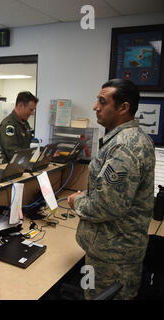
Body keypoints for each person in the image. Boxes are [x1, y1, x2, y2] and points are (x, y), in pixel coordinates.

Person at [67, 79, 155, 300]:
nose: (95, 106)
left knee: (95, 296)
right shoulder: (133, 138)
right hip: (113, 250)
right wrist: (88, 195)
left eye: (102, 101)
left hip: (112, 257)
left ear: (123, 108)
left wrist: (76, 201)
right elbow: (112, 192)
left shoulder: (123, 147)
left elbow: (105, 207)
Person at [0, 91, 38, 162]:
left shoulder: (25, 123)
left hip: (24, 164)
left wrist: (41, 151)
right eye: (31, 109)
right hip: (11, 168)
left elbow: (30, 144)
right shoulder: (9, 125)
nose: (32, 113)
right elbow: (12, 152)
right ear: (20, 106)